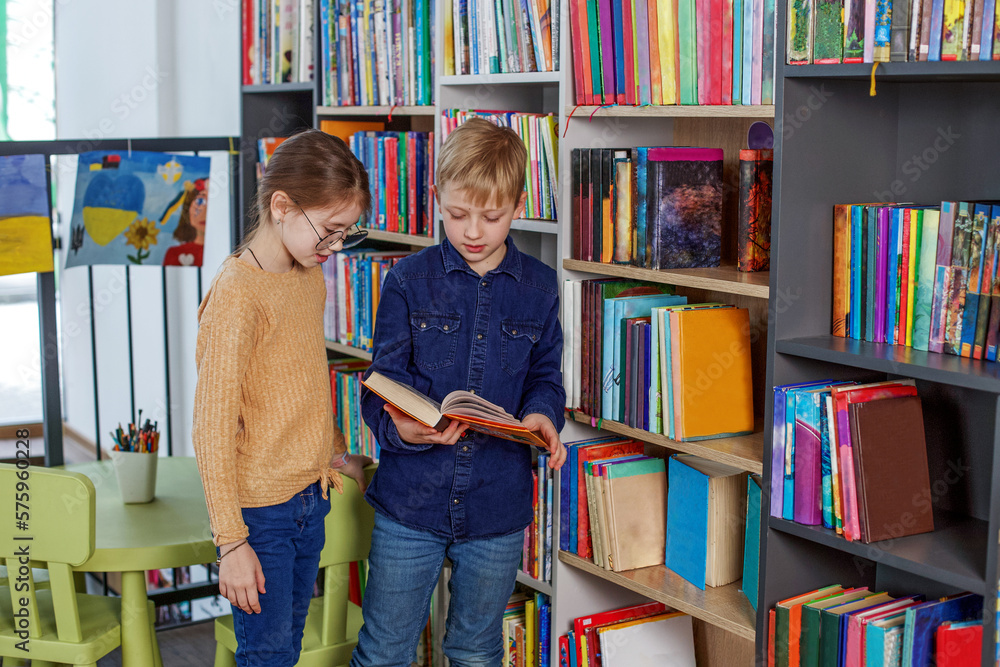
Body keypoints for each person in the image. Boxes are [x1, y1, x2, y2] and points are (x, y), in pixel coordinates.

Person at [350, 117, 567, 667]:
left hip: (497, 505)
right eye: (456, 214)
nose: (473, 230)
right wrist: (396, 425)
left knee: (475, 650)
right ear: (436, 199)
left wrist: (543, 417)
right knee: (384, 652)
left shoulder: (542, 290)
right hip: (409, 502)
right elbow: (380, 383)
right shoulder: (406, 281)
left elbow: (545, 377)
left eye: (490, 217)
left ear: (517, 204)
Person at [192, 129, 373, 667]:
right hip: (259, 516)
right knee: (267, 658)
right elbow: (212, 426)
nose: (336, 247)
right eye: (330, 231)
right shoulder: (237, 293)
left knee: (286, 652)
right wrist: (231, 542)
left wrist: (335, 452)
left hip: (309, 501)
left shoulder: (308, 277)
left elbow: (306, 382)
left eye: (347, 233)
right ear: (282, 207)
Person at [162, 178, 208, 266]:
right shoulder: (175, 253)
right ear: (188, 208)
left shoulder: (233, 254)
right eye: (200, 201)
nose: (205, 211)